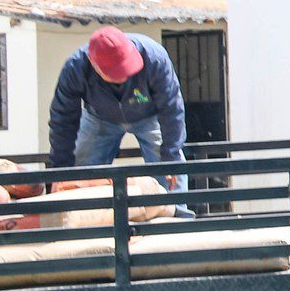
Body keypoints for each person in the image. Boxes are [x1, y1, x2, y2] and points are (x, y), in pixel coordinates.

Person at [47, 26, 188, 190]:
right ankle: (81, 210)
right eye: (116, 72)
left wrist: (171, 157)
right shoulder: (75, 68)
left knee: (173, 169)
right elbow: (63, 120)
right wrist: (61, 171)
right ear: (94, 64)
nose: (124, 75)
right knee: (80, 175)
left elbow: (172, 110)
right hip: (99, 118)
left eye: (127, 67)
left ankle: (179, 213)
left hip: (149, 117)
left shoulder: (155, 58)